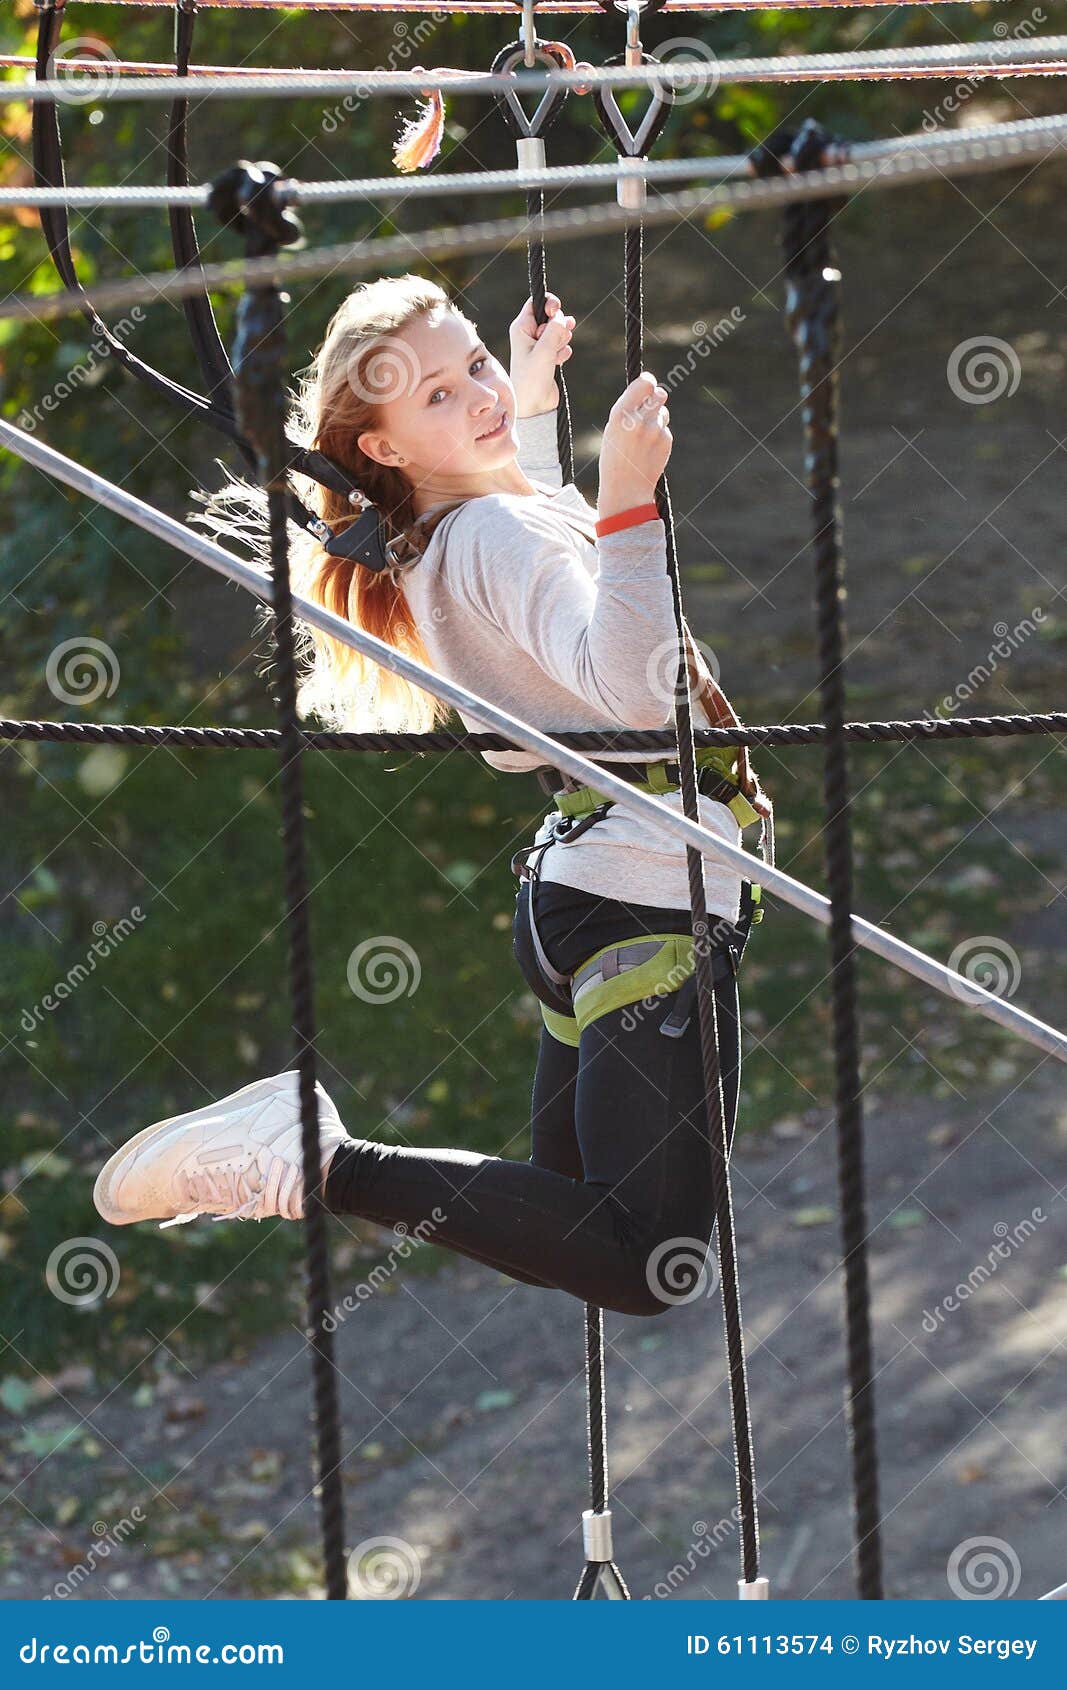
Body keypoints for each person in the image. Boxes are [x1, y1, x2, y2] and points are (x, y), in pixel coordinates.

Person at [92, 275, 767, 1319]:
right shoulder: (490, 540)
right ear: (386, 450)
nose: (478, 396)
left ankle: (325, 1163)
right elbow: (632, 687)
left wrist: (530, 398)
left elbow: (541, 551)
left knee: (572, 1225)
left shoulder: (450, 534)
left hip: (595, 903)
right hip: (641, 904)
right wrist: (629, 495)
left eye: (475, 368)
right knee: (644, 1259)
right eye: (439, 398)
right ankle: (326, 1163)